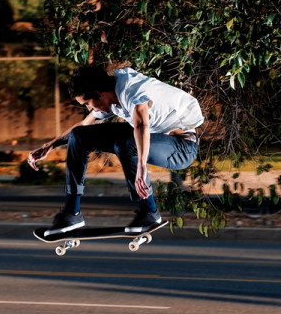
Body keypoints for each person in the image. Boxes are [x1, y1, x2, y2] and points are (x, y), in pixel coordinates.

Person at [29, 65, 204, 235]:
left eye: (88, 103)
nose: (89, 108)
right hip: (155, 138)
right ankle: (72, 213)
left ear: (98, 94)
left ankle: (149, 212)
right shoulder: (109, 95)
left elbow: (141, 125)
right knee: (79, 135)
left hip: (182, 148)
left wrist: (141, 166)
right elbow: (83, 124)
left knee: (127, 144)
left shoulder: (132, 91)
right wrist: (49, 145)